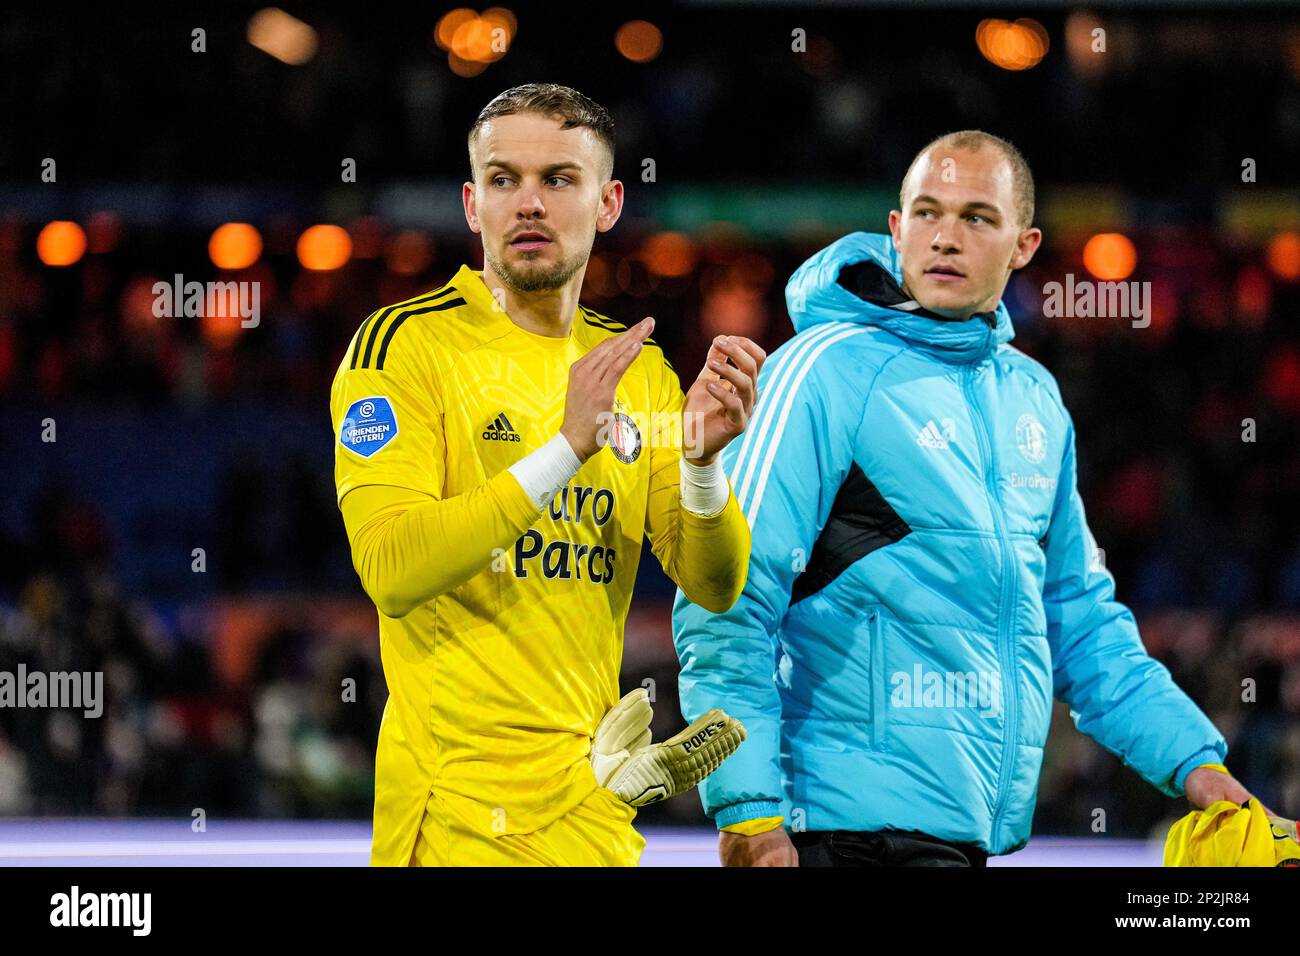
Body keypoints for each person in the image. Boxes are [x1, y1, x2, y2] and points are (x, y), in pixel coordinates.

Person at [671, 129, 1262, 867]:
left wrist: (1202, 771)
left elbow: (1081, 623)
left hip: (962, 841)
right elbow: (727, 600)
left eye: (977, 218)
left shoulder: (1035, 400)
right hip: (833, 831)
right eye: (928, 212)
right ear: (896, 228)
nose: (946, 237)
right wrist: (750, 812)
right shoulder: (821, 373)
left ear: (1023, 243)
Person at [330, 83, 764, 866]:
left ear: (607, 203)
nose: (528, 203)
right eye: (504, 180)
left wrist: (702, 464)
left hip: (591, 822)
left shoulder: (639, 371)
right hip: (452, 828)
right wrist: (565, 449)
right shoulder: (402, 349)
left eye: (559, 179)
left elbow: (714, 583)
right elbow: (391, 568)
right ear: (471, 204)